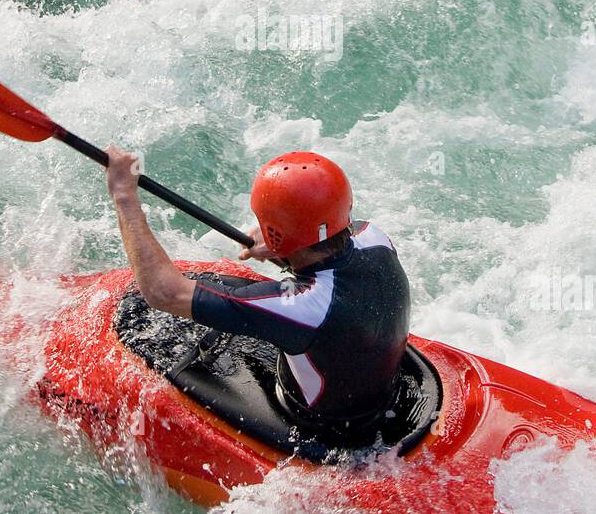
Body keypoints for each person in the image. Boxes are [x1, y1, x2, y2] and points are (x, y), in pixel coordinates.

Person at [106, 146, 410, 438]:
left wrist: (124, 196)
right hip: (376, 392)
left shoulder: (305, 306)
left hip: (323, 426)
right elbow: (325, 247)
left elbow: (163, 292)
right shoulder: (374, 235)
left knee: (226, 300)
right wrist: (282, 247)